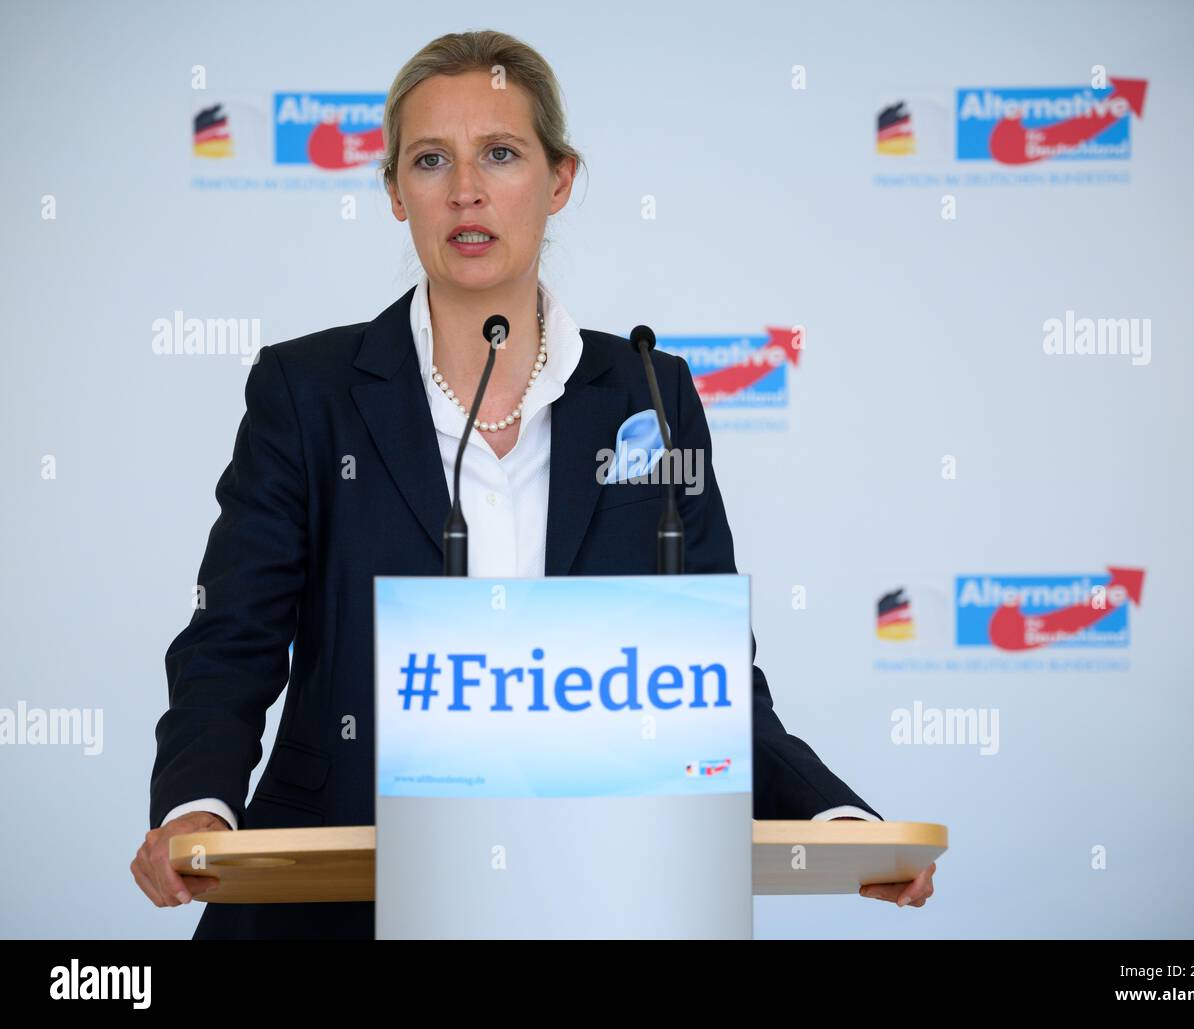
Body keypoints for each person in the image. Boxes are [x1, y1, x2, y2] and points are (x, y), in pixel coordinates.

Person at [132, 29, 935, 938]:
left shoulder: (650, 390)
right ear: (395, 191)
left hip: (590, 891)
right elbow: (233, 638)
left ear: (558, 181)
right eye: (431, 160)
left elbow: (707, 680)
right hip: (336, 894)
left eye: (501, 154)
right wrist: (198, 804)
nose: (466, 189)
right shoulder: (306, 392)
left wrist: (834, 821)